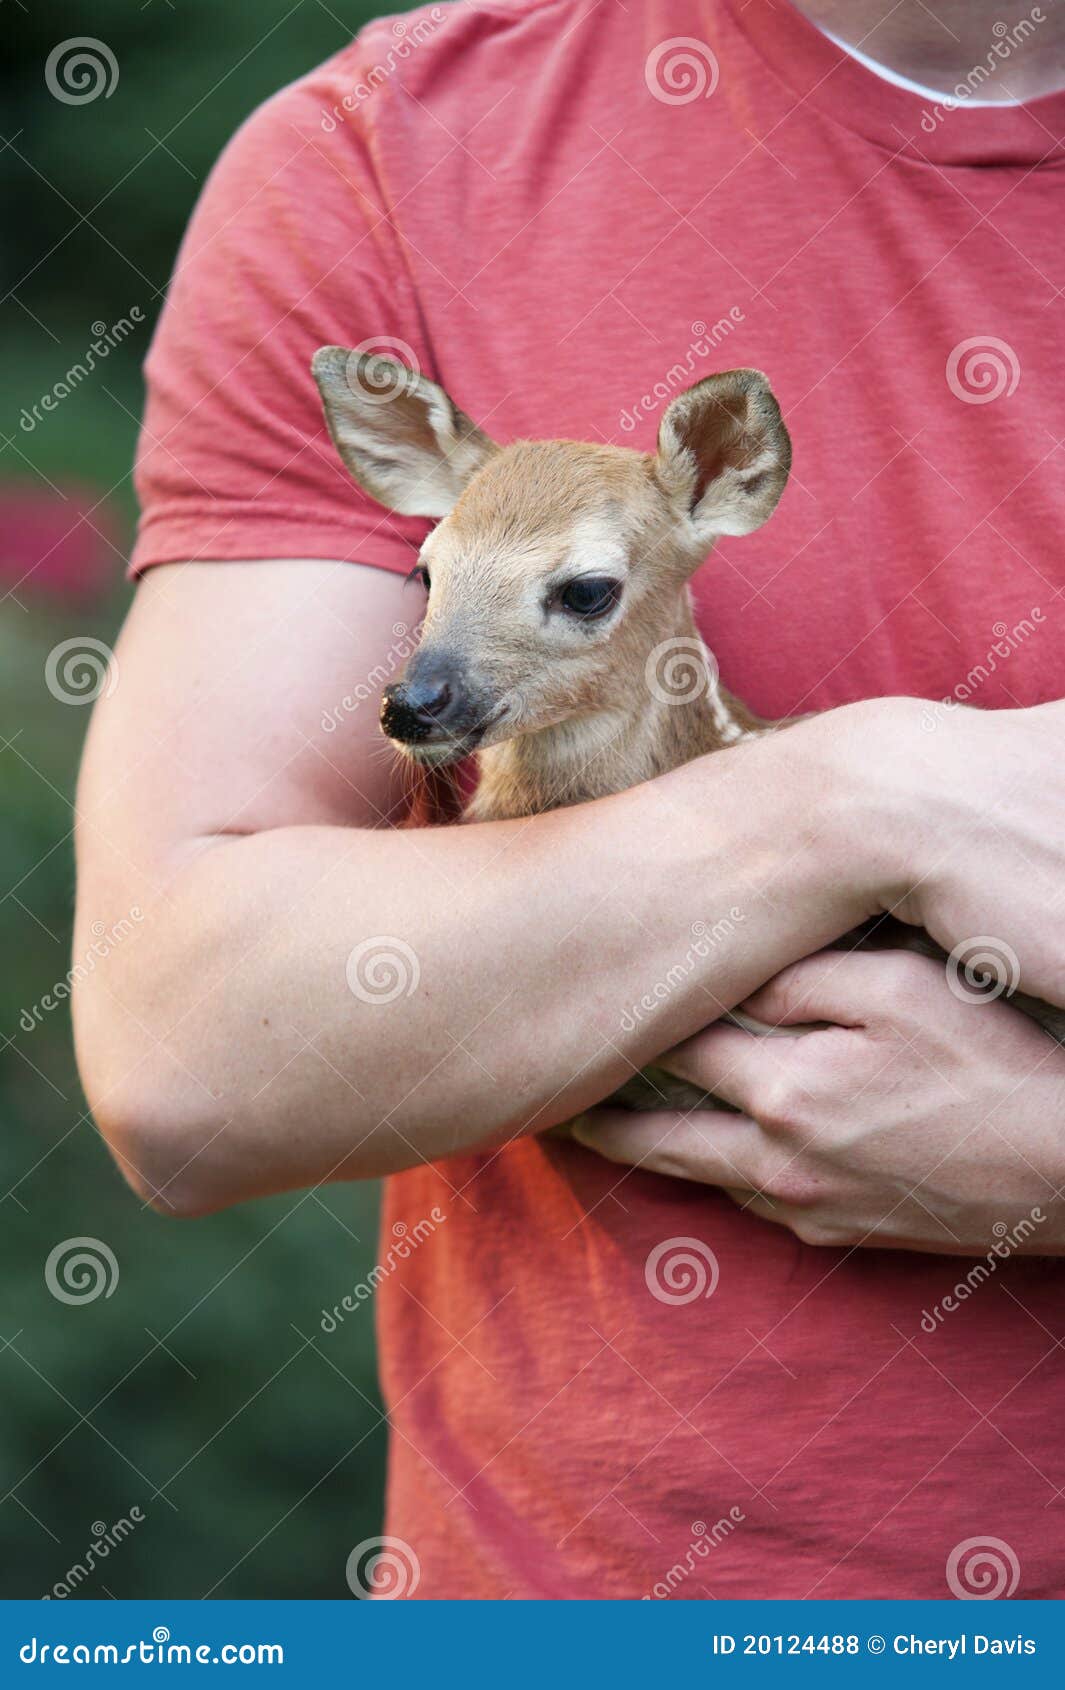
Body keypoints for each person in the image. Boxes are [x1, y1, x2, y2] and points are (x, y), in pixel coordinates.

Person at [73, 0, 1065, 1598]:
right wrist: (860, 798)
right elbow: (189, 1048)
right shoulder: (398, 155)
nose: (432, 679)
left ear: (720, 475)